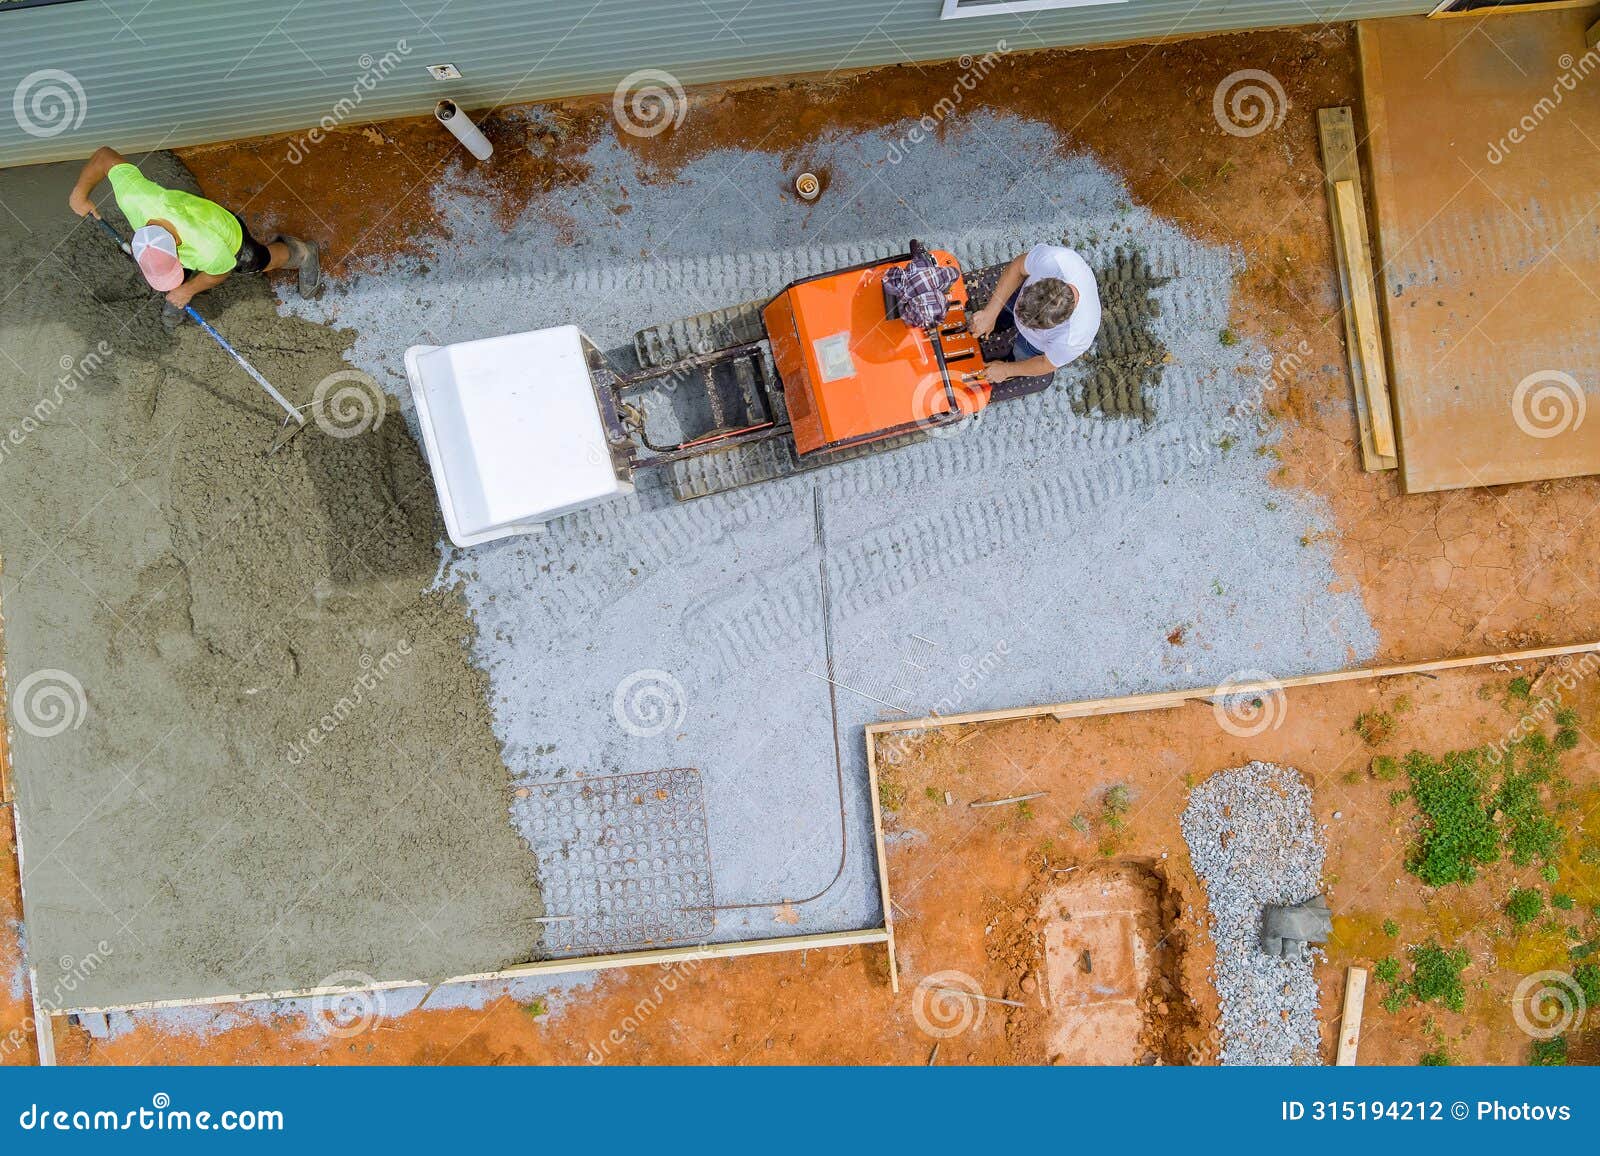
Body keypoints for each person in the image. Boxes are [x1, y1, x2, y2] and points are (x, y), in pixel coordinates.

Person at [67, 146, 321, 328]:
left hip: (229, 238)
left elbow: (221, 272)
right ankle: (177, 288)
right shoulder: (135, 198)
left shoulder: (208, 249)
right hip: (192, 226)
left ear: (178, 245)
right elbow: (104, 157)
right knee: (176, 277)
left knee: (259, 262)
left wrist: (187, 290)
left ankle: (302, 253)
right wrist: (80, 193)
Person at [969, 244, 1101, 386]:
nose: (1020, 320)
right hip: (1025, 301)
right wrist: (991, 312)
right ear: (1041, 282)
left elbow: (1047, 363)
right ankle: (999, 322)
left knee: (1022, 353)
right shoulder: (1053, 260)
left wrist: (1007, 370)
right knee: (1005, 309)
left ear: (1057, 323)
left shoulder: (1073, 338)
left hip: (1034, 343)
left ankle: (1011, 358)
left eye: (1030, 325)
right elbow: (1017, 268)